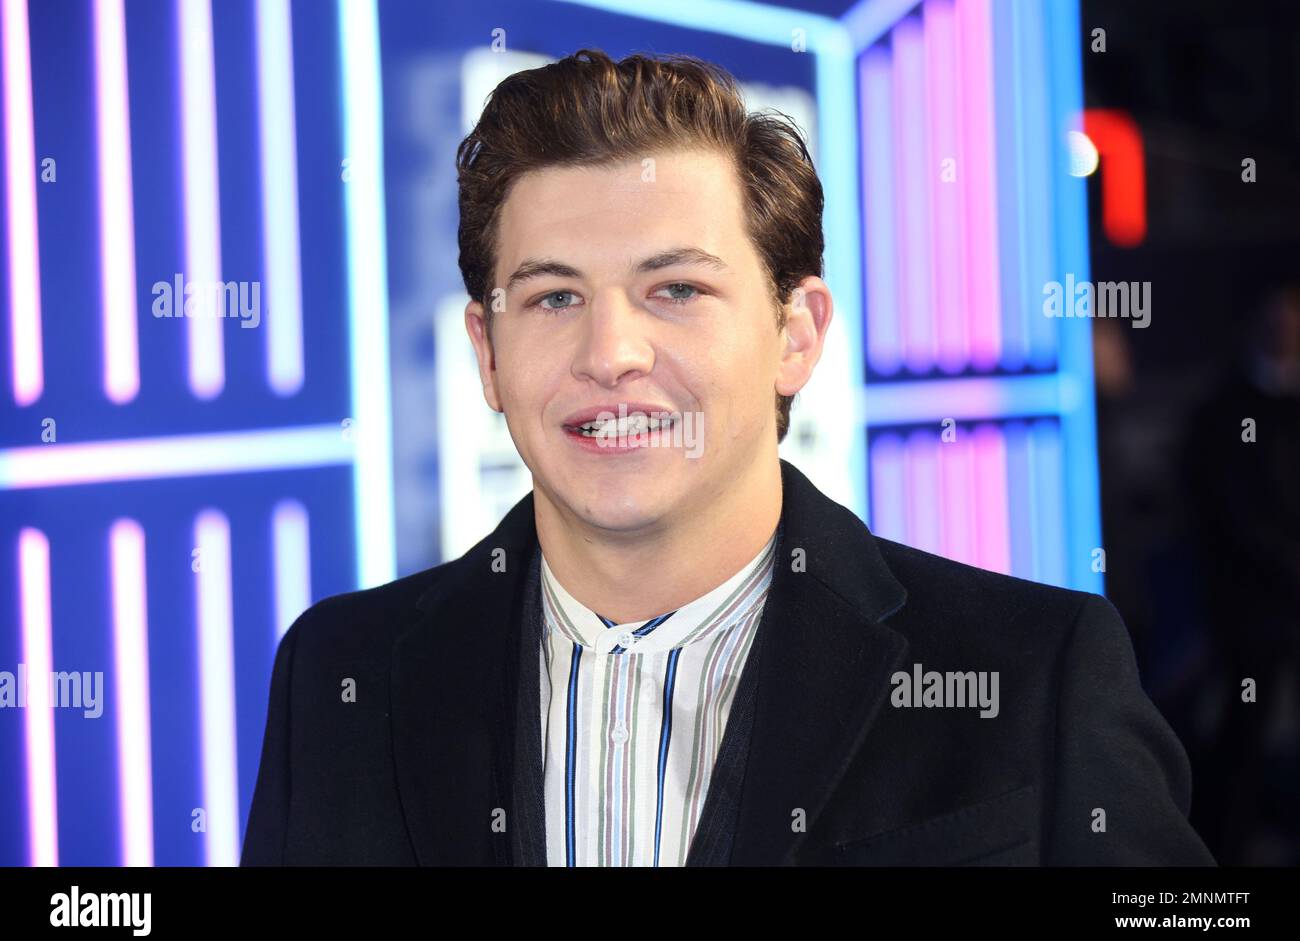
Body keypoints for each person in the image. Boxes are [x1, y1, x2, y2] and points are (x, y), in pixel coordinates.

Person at [241, 48, 1213, 866]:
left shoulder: (1039, 672)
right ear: (487, 353)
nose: (610, 352)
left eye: (675, 289)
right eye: (553, 297)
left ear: (796, 333)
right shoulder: (338, 675)